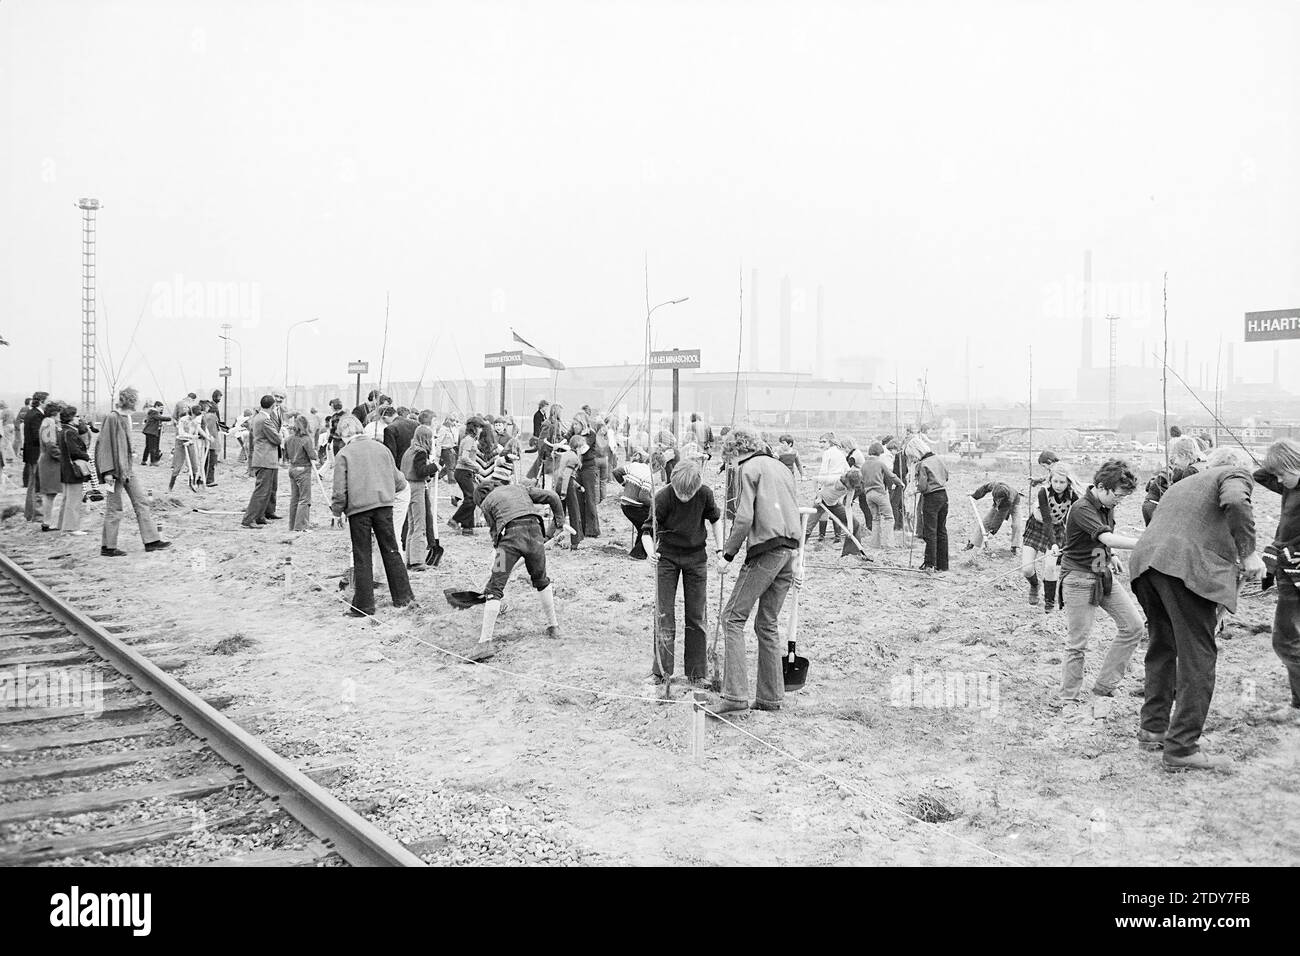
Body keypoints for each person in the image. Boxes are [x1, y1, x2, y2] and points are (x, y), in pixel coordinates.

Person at [1130, 447, 1263, 771]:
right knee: (1198, 657)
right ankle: (1182, 747)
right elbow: (1235, 501)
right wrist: (1248, 554)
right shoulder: (1233, 474)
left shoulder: (1181, 484)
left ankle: (1154, 727)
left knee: (1163, 647)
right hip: (1183, 568)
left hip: (1147, 565)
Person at [714, 426, 805, 715]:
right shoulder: (782, 468)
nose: (728, 465)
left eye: (727, 459)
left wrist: (726, 555)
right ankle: (770, 698)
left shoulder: (748, 469)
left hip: (766, 550)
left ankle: (735, 697)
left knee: (732, 618)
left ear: (734, 451)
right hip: (790, 550)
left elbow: (743, 519)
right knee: (766, 624)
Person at [1056, 459, 1144, 705]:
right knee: (1077, 644)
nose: (1120, 500)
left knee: (1134, 627)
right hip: (1078, 580)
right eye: (1118, 495)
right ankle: (1068, 697)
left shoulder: (1107, 505)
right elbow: (1106, 536)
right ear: (1102, 487)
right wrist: (1143, 543)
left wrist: (1112, 555)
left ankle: (1105, 686)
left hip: (1103, 575)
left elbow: (1104, 538)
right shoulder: (1081, 507)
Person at [466, 475, 568, 661]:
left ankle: (484, 643)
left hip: (509, 539)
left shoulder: (487, 503)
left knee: (494, 589)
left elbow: (496, 536)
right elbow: (553, 496)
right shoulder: (520, 488)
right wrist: (559, 523)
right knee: (541, 580)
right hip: (536, 533)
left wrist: (498, 567)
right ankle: (554, 627)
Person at [643, 460, 724, 685]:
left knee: (697, 615)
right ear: (673, 483)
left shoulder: (705, 494)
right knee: (664, 615)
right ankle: (661, 671)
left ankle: (697, 673)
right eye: (681, 492)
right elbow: (647, 531)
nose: (685, 497)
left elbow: (716, 520)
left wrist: (720, 549)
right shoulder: (663, 497)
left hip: (696, 558)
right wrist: (651, 552)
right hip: (666, 558)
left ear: (698, 486)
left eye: (690, 493)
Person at [330, 415, 414, 618]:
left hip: (359, 510)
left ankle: (364, 606)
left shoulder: (343, 454)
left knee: (362, 555)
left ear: (343, 434)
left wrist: (336, 512)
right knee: (391, 550)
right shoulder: (381, 448)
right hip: (384, 506)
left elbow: (339, 490)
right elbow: (396, 479)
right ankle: (404, 597)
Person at [1254, 438, 1300, 725]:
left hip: (1293, 569)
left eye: (1282, 473)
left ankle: (1299, 704)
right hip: (1287, 568)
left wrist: (1278, 550)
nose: (1279, 480)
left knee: (1285, 639)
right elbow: (1261, 475)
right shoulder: (1289, 485)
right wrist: (1277, 460)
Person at [96, 387, 170, 557]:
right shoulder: (112, 417)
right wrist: (107, 472)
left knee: (141, 501)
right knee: (114, 508)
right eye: (135, 399)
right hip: (114, 472)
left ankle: (151, 541)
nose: (138, 402)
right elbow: (105, 445)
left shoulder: (127, 418)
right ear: (129, 401)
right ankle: (108, 547)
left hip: (127, 469)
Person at [1020, 462, 1080, 611]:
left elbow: (1081, 510)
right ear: (1050, 480)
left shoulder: (1072, 495)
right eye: (1055, 481)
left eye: (1062, 482)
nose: (1058, 485)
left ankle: (1049, 604)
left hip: (1057, 529)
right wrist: (1053, 543)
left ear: (1068, 482)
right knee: (1027, 569)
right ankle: (1034, 585)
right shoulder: (1044, 492)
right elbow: (1047, 520)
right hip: (1037, 526)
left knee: (1051, 567)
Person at [1141, 435, 1206, 525]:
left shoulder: (1189, 470)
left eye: (1176, 458)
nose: (1175, 462)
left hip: (1153, 504)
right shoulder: (1201, 466)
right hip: (1154, 503)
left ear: (1183, 455)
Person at [400, 424, 440, 570]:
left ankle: (411, 559)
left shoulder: (409, 450)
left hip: (406, 486)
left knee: (412, 524)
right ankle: (417, 561)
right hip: (416, 486)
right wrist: (435, 467)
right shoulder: (420, 452)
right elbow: (421, 471)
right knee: (419, 525)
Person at [241, 396, 283, 528]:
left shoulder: (258, 417)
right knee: (261, 491)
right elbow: (276, 439)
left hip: (263, 458)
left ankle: (259, 516)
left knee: (266, 490)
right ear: (272, 406)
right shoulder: (265, 420)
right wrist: (281, 435)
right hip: (265, 458)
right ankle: (249, 519)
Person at [910, 436, 949, 572]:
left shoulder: (922, 464)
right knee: (941, 531)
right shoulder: (938, 459)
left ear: (916, 452)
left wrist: (915, 489)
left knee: (930, 532)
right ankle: (943, 565)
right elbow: (947, 476)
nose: (912, 459)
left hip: (931, 498)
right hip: (943, 496)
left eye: (912, 456)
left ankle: (929, 564)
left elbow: (922, 485)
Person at [808, 466, 864, 555]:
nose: (850, 488)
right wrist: (818, 496)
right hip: (821, 502)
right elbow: (814, 479)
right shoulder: (833, 479)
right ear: (846, 480)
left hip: (835, 505)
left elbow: (848, 507)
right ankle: (796, 549)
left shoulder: (851, 488)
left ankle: (851, 553)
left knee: (855, 524)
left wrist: (850, 526)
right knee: (807, 527)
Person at [383, 405, 417, 545]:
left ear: (385, 417)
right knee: (414, 509)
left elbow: (390, 455)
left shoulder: (390, 429)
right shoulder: (415, 424)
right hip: (415, 470)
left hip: (399, 473)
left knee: (399, 509)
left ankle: (401, 538)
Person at [859, 443, 903, 548]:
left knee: (875, 519)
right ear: (879, 453)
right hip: (879, 493)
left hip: (868, 495)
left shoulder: (863, 465)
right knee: (889, 518)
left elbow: (860, 481)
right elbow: (891, 475)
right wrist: (900, 483)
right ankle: (888, 544)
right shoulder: (880, 463)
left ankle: (875, 544)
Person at [450, 418, 490, 533]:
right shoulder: (469, 440)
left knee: (471, 499)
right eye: (480, 427)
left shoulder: (470, 439)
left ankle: (467, 527)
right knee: (471, 499)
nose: (481, 430)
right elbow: (464, 457)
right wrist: (476, 467)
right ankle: (455, 520)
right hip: (463, 471)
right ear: (474, 428)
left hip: (465, 471)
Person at [56, 405, 91, 534]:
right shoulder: (70, 432)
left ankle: (62, 524)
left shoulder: (63, 430)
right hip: (73, 469)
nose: (78, 418)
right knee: (74, 499)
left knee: (67, 498)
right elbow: (75, 451)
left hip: (65, 468)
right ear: (71, 418)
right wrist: (86, 456)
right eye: (76, 416)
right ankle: (72, 527)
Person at [612, 453, 654, 559]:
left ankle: (638, 552)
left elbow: (616, 472)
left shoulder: (635, 465)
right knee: (651, 527)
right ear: (657, 465)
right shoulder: (649, 474)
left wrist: (624, 484)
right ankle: (637, 554)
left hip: (625, 504)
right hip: (635, 506)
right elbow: (643, 497)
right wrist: (655, 504)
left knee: (642, 528)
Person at [811, 433, 848, 541]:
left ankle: (820, 536)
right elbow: (847, 469)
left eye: (823, 442)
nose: (821, 444)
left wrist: (820, 487)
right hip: (839, 483)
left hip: (828, 483)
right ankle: (838, 536)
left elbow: (823, 471)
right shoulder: (841, 453)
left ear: (830, 442)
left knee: (820, 510)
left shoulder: (827, 453)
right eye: (820, 442)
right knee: (836, 510)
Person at [283, 414, 317, 531]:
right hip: (303, 470)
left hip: (292, 469)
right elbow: (312, 455)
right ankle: (301, 526)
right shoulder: (306, 440)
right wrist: (315, 454)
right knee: (304, 499)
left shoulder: (288, 439)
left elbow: (286, 456)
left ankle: (292, 525)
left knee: (294, 498)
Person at [970, 479, 1023, 551]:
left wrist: (993, 528)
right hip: (1001, 504)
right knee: (985, 523)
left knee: (1016, 525)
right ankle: (973, 543)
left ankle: (1014, 546)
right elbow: (984, 488)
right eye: (997, 499)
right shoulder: (994, 485)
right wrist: (975, 496)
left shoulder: (1008, 499)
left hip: (1015, 503)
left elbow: (1000, 516)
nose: (998, 500)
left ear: (1003, 497)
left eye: (999, 499)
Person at [37, 400, 65, 531]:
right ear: (55, 413)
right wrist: (63, 458)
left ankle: (46, 522)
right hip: (50, 463)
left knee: (50, 494)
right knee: (49, 494)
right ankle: (46, 523)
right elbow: (51, 445)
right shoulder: (50, 423)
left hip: (47, 461)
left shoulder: (45, 422)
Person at [168, 404, 208, 493]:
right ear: (192, 413)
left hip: (190, 442)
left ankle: (192, 483)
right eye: (194, 415)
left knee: (194, 465)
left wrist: (207, 437)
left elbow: (199, 429)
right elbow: (181, 433)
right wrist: (192, 436)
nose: (195, 417)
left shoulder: (196, 420)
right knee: (178, 466)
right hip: (181, 443)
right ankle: (170, 486)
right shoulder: (183, 420)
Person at [22, 392, 49, 523]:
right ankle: (36, 514)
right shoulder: (37, 415)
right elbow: (36, 436)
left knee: (32, 484)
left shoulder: (30, 413)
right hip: (36, 453)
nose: (48, 404)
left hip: (30, 453)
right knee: (36, 484)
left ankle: (29, 513)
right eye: (47, 401)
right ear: (42, 401)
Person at [889, 438, 909, 534]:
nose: (890, 452)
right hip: (903, 480)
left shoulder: (898, 457)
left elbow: (897, 471)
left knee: (894, 503)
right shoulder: (903, 456)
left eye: (891, 449)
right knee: (900, 503)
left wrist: (894, 481)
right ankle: (901, 523)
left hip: (898, 481)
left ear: (895, 448)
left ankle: (896, 525)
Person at [201, 402, 222, 486]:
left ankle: (207, 479)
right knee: (210, 462)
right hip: (211, 442)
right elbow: (210, 429)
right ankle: (209, 480)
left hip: (210, 441)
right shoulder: (211, 417)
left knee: (208, 462)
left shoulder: (207, 416)